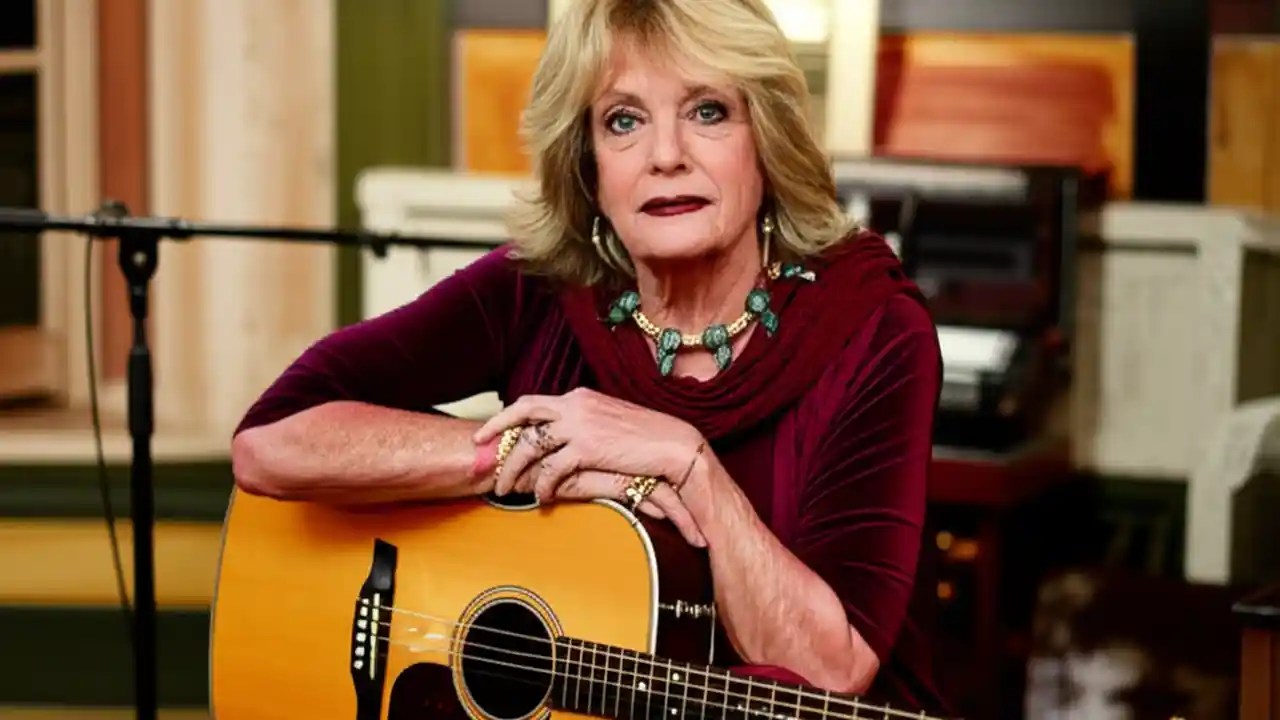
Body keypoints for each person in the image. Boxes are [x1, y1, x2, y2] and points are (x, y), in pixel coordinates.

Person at [230, 0, 950, 714]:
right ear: (588, 166)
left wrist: (688, 464)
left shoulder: (872, 327)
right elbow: (270, 444)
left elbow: (828, 672)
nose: (666, 156)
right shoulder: (539, 294)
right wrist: (528, 452)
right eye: (623, 121)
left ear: (766, 138)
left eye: (707, 112)